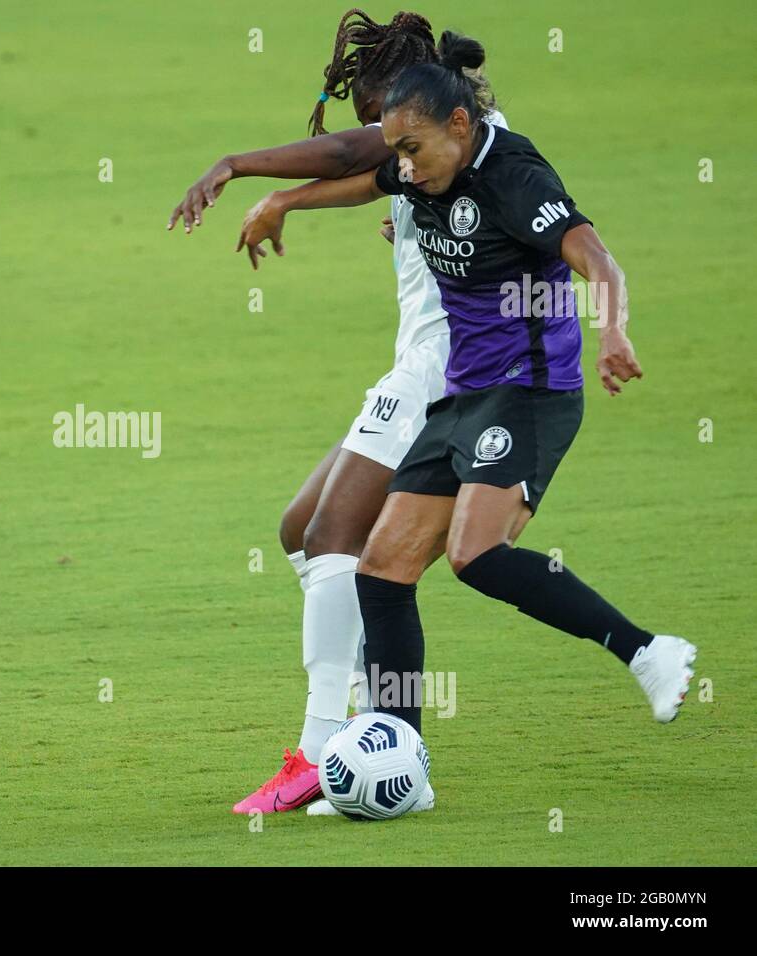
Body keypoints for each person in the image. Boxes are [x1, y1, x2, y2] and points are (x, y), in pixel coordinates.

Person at [246, 33, 696, 742]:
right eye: (394, 148)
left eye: (411, 148)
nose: (402, 164)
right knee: (382, 568)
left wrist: (614, 332)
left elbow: (597, 256)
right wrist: (285, 204)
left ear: (460, 125)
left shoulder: (513, 174)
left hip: (530, 390)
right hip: (461, 395)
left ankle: (647, 652)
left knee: (474, 555)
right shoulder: (423, 169)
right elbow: (363, 181)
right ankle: (398, 752)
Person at [171, 10, 497, 815]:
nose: (387, 140)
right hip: (421, 364)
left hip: (446, 367)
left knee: (333, 538)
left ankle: (320, 751)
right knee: (301, 531)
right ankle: (370, 726)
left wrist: (239, 168)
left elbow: (356, 155)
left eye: (392, 127)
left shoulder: (462, 135)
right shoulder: (448, 147)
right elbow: (377, 171)